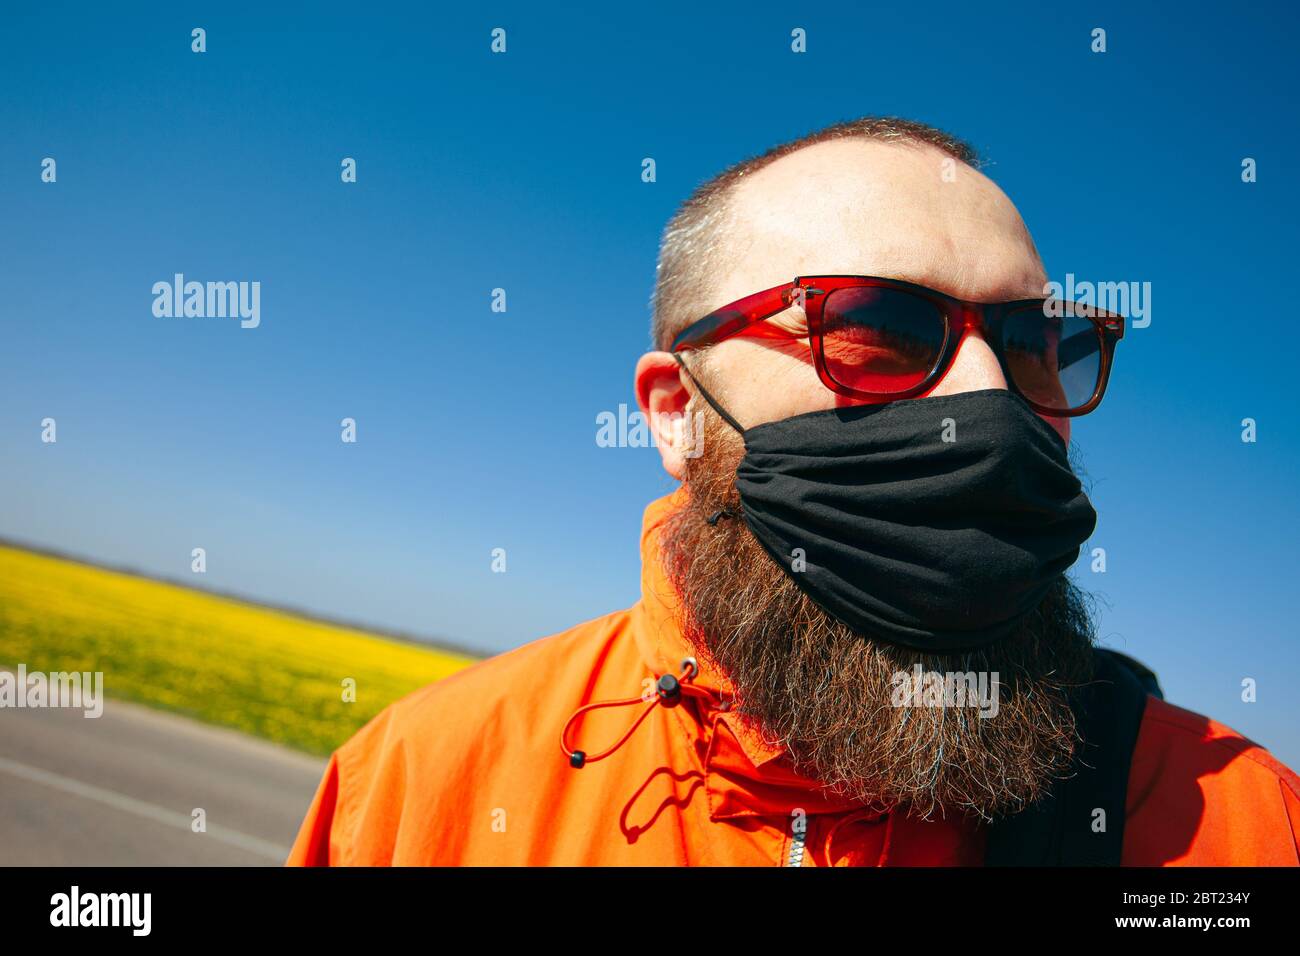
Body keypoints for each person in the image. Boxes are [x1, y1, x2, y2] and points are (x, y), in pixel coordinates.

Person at [286, 117, 1300, 866]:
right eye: (876, 328)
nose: (993, 399)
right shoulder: (421, 788)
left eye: (1034, 343)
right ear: (677, 409)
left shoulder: (1242, 825)